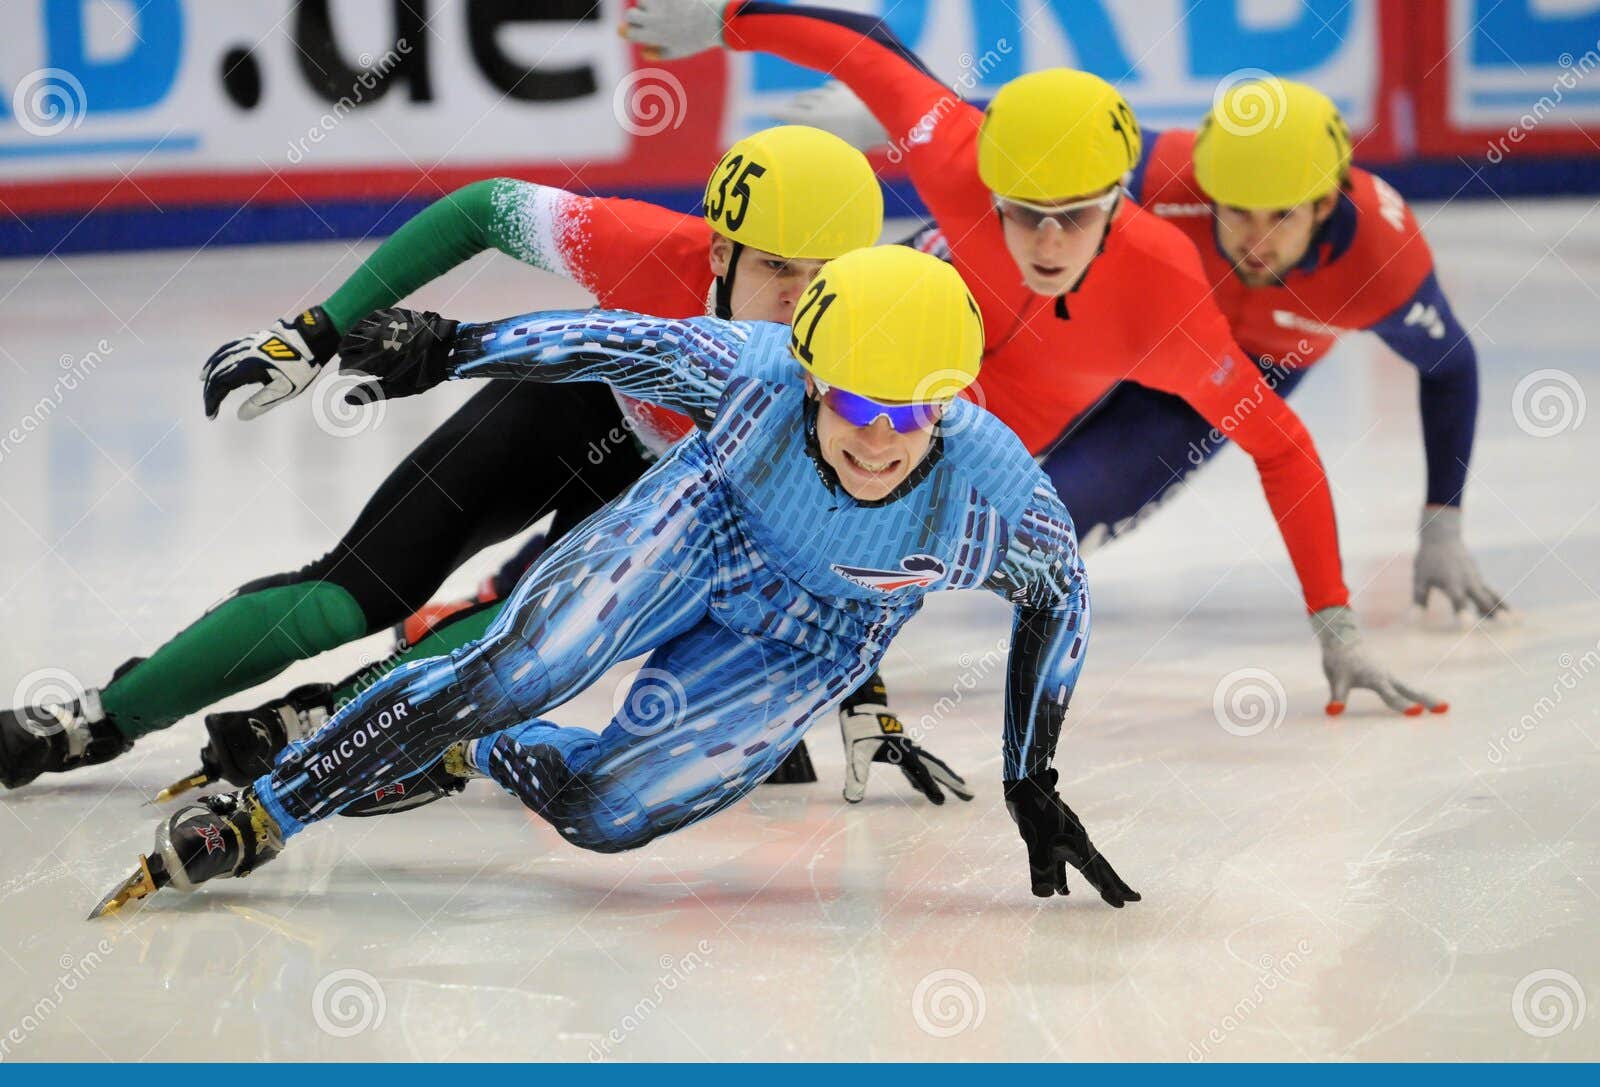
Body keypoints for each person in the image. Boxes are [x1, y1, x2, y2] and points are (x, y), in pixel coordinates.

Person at [87, 245, 1140, 917]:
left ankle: (477, 749)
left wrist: (1028, 774)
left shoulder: (995, 494)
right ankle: (270, 810)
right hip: (708, 522)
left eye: (912, 414)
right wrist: (451, 347)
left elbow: (1060, 600)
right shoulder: (752, 371)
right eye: (856, 406)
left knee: (605, 811)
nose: (880, 439)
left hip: (816, 634)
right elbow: (611, 342)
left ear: (950, 407)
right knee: (521, 662)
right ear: (809, 376)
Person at [1, 127, 969, 808]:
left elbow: (869, 532)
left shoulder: (866, 352)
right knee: (348, 595)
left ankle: (330, 720)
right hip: (576, 404)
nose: (798, 304)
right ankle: (99, 716)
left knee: (519, 637)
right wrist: (318, 329)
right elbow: (479, 209)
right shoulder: (642, 248)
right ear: (716, 250)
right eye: (776, 271)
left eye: (824, 279)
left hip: (680, 490)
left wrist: (859, 689)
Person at [620, 1, 1446, 717]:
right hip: (904, 344)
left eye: (1077, 217)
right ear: (991, 187)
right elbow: (863, 47)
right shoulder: (955, 158)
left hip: (986, 427)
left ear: (1121, 199)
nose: (1047, 243)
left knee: (984, 524)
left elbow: (1282, 445)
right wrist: (725, 21)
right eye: (1021, 213)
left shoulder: (1165, 294)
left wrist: (1334, 621)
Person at [887, 79, 1503, 619]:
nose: (1255, 241)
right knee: (918, 445)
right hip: (1126, 323)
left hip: (1227, 374)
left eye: (1281, 216)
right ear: (1207, 188)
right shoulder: (1164, 171)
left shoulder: (1382, 262)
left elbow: (1450, 368)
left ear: (1324, 204)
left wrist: (1441, 521)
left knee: (1048, 526)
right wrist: (916, 117)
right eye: (1236, 212)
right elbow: (1035, 138)